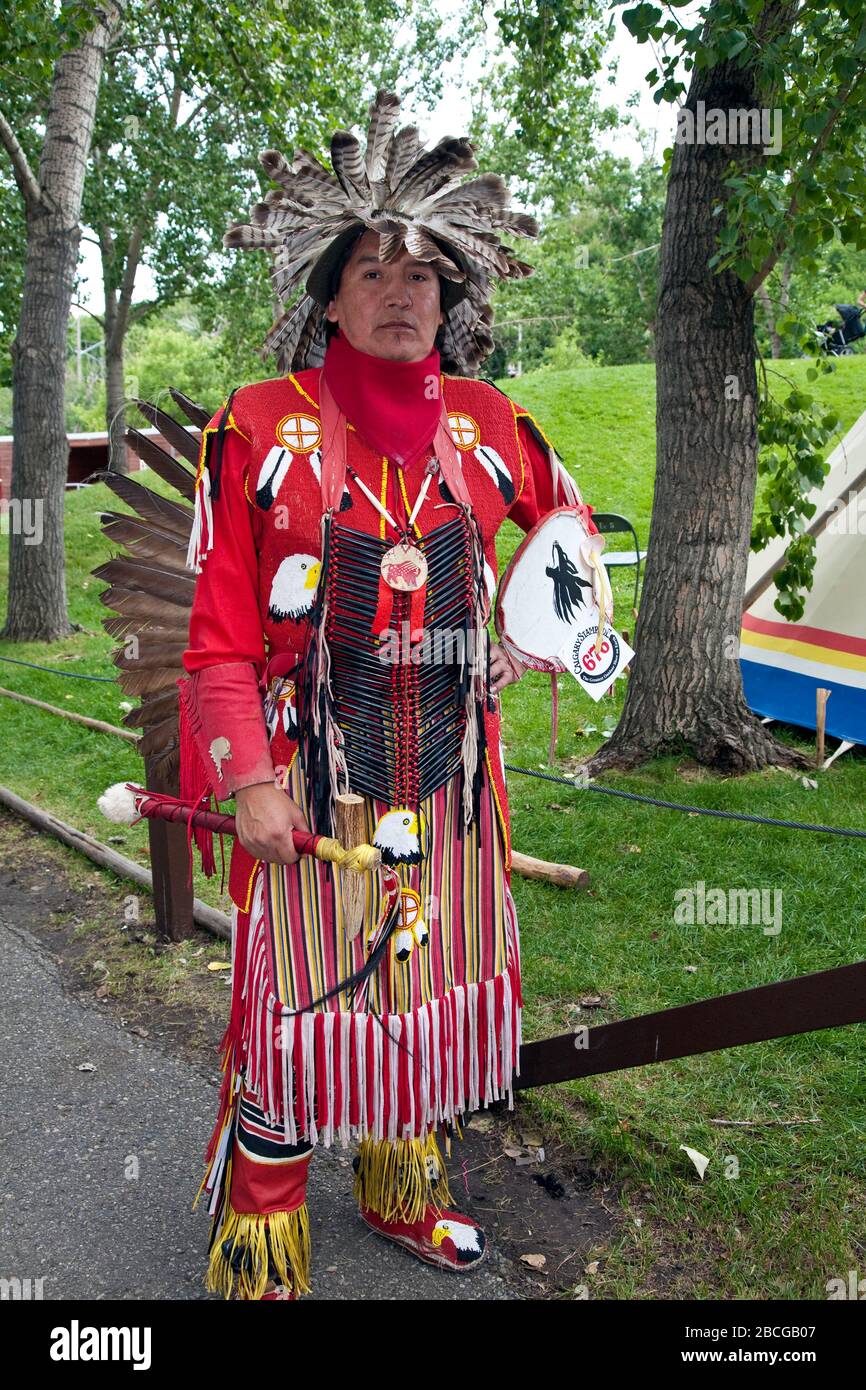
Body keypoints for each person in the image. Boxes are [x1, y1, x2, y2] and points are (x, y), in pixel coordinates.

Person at [180, 89, 597, 1300]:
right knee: (302, 996)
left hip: (455, 782)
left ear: (453, 296)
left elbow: (565, 527)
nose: (402, 291)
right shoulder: (258, 429)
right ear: (327, 295)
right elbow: (213, 638)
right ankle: (262, 1233)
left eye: (424, 271)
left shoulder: (489, 422)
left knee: (427, 984)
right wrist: (248, 780)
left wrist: (543, 617)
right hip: (312, 777)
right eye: (372, 267)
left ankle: (402, 1186)